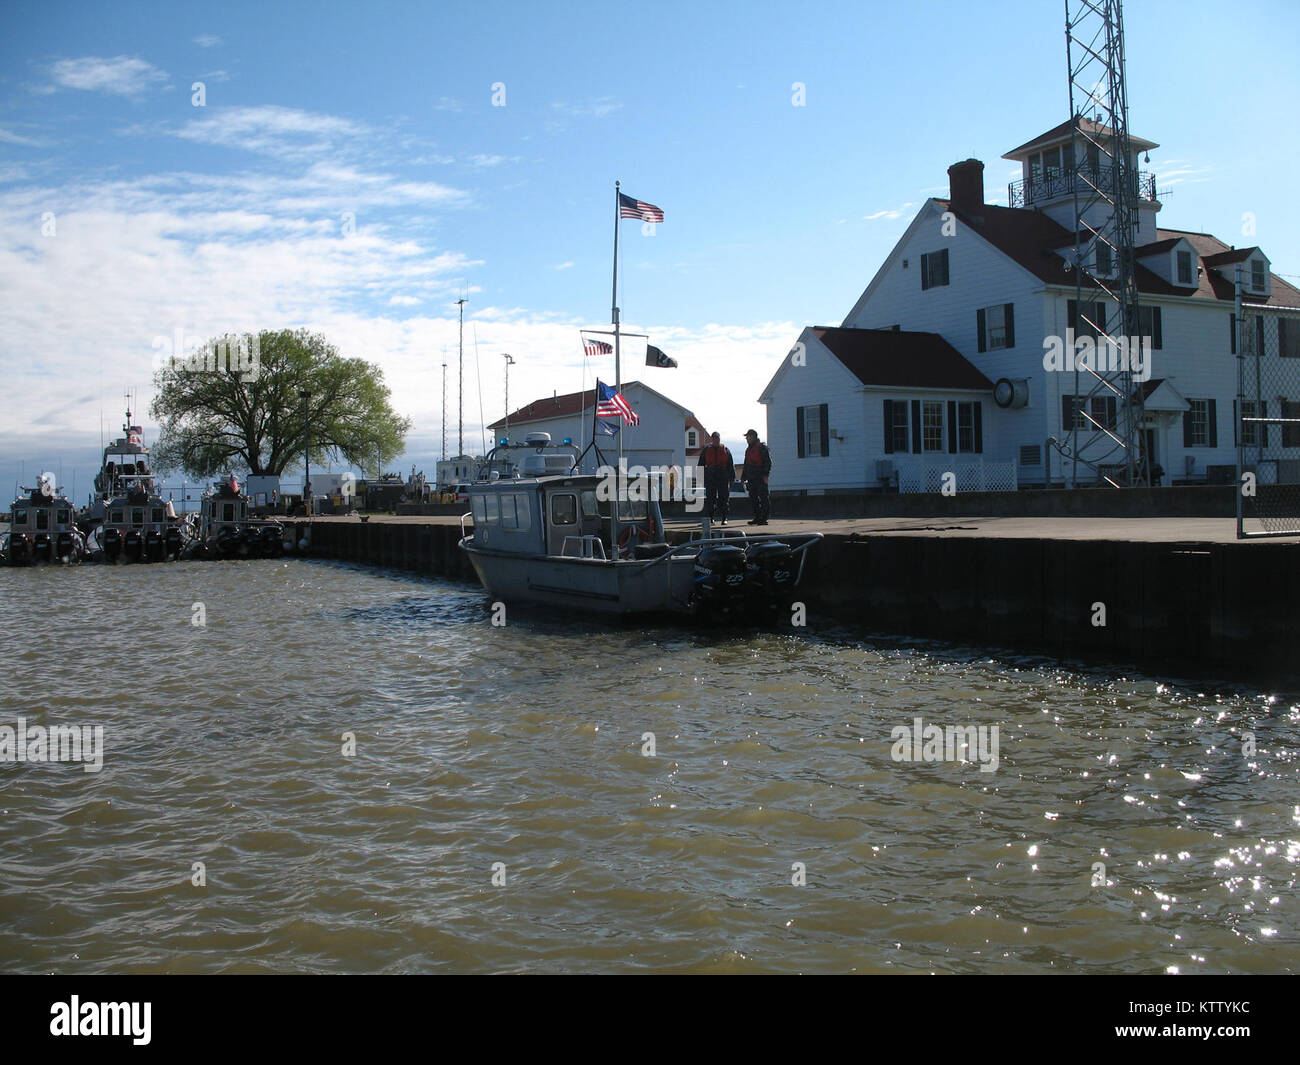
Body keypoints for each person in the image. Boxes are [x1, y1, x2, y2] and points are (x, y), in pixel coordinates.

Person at [698, 431, 735, 526]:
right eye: (714, 438)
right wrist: (700, 478)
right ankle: (711, 518)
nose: (716, 440)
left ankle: (724, 518)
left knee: (724, 499)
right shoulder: (706, 450)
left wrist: (732, 478)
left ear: (719, 439)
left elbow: (730, 465)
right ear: (711, 439)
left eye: (717, 438)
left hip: (723, 477)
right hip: (711, 478)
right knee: (710, 499)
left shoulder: (725, 450)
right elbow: (700, 465)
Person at [742, 428, 771, 526]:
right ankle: (757, 517)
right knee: (753, 498)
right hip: (751, 478)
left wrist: (766, 475)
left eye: (748, 437)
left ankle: (764, 518)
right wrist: (743, 477)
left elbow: (767, 462)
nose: (747, 439)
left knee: (763, 497)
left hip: (760, 477)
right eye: (746, 437)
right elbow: (746, 464)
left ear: (753, 437)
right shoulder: (748, 450)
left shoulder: (762, 447)